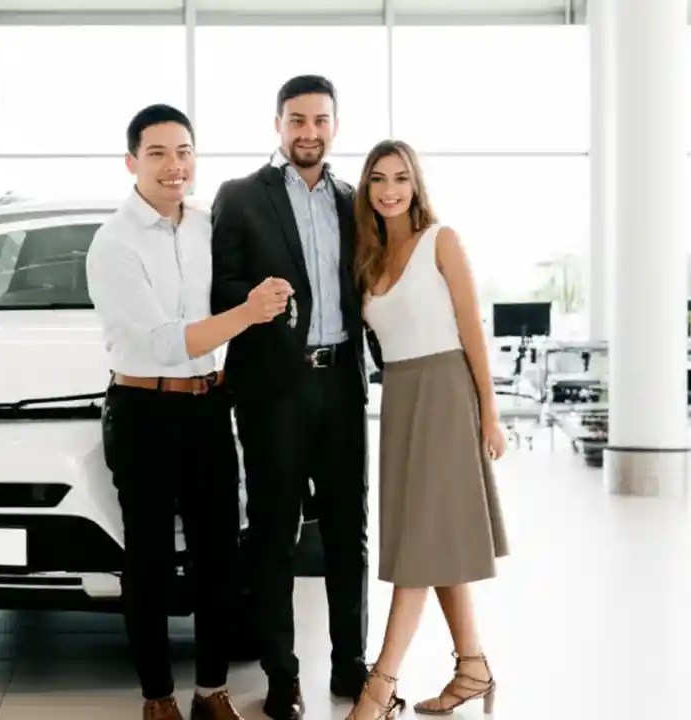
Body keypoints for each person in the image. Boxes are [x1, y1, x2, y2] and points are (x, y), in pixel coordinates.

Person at [85, 103, 293, 720]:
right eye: (158, 154)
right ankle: (157, 698)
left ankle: (210, 690)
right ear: (131, 162)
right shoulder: (113, 243)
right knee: (147, 563)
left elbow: (229, 303)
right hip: (143, 411)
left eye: (184, 152)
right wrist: (249, 313)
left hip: (207, 410)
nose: (174, 167)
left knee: (218, 560)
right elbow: (162, 340)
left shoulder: (205, 227)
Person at [210, 75, 375, 720]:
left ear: (334, 125)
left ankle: (349, 666)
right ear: (277, 124)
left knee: (348, 534)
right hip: (274, 389)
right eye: (297, 120)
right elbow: (221, 292)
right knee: (275, 535)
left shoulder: (353, 200)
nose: (309, 132)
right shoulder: (241, 198)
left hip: (341, 384)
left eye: (321, 120)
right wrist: (255, 306)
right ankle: (283, 676)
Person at [345, 139, 509, 720]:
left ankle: (379, 687)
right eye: (379, 179)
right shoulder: (366, 260)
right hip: (400, 401)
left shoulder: (442, 241)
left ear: (416, 186)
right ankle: (472, 667)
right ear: (366, 189)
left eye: (401, 178)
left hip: (444, 391)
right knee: (430, 541)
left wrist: (488, 412)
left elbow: (471, 328)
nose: (390, 189)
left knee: (417, 547)